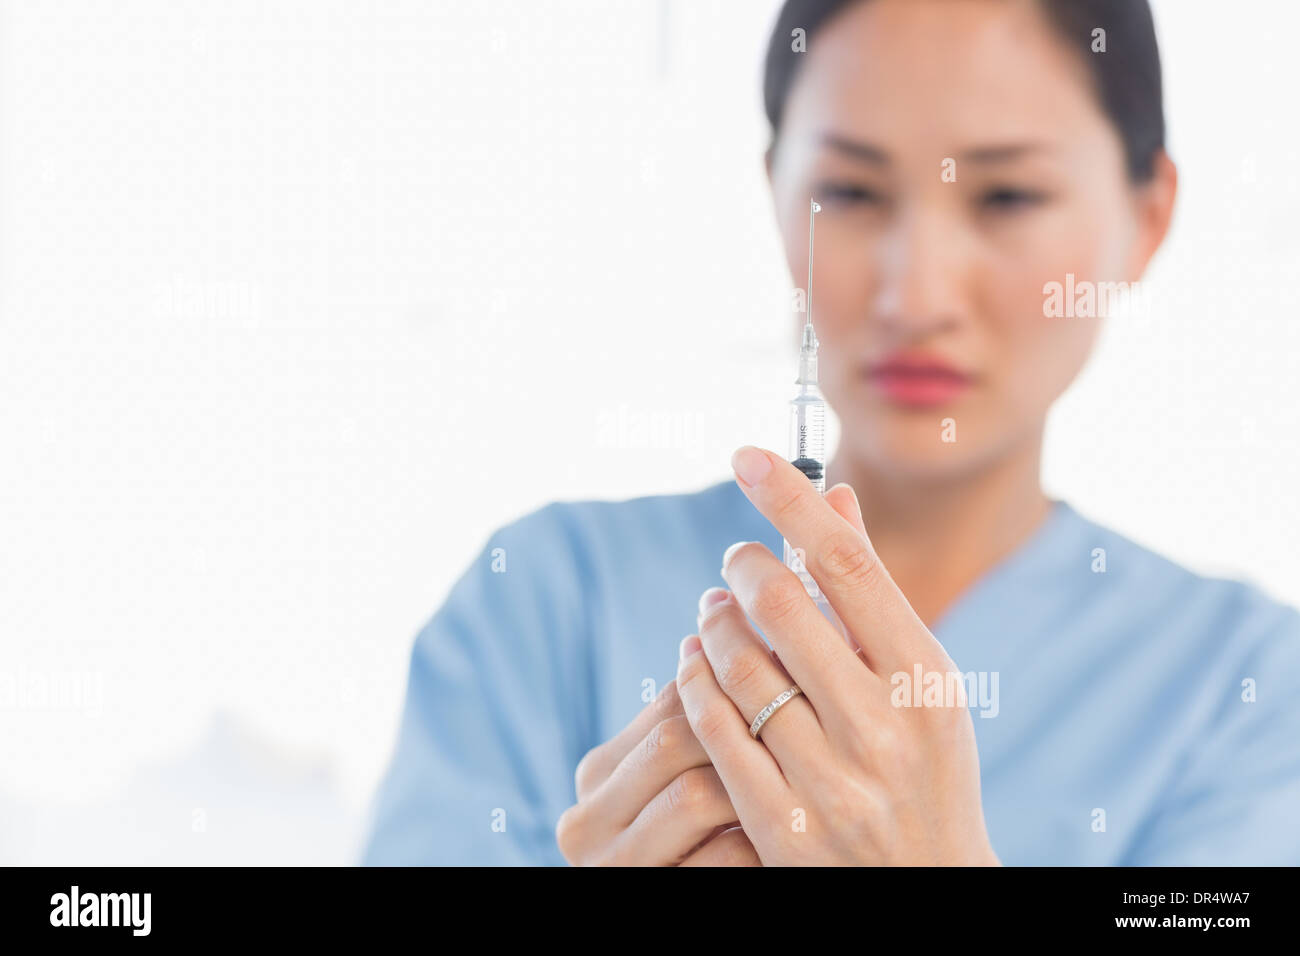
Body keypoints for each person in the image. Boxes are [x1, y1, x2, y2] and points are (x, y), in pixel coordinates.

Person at [362, 0, 1300, 865]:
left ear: (1148, 216)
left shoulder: (1250, 696)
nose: (916, 295)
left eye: (1008, 196)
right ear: (777, 194)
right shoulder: (544, 601)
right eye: (849, 193)